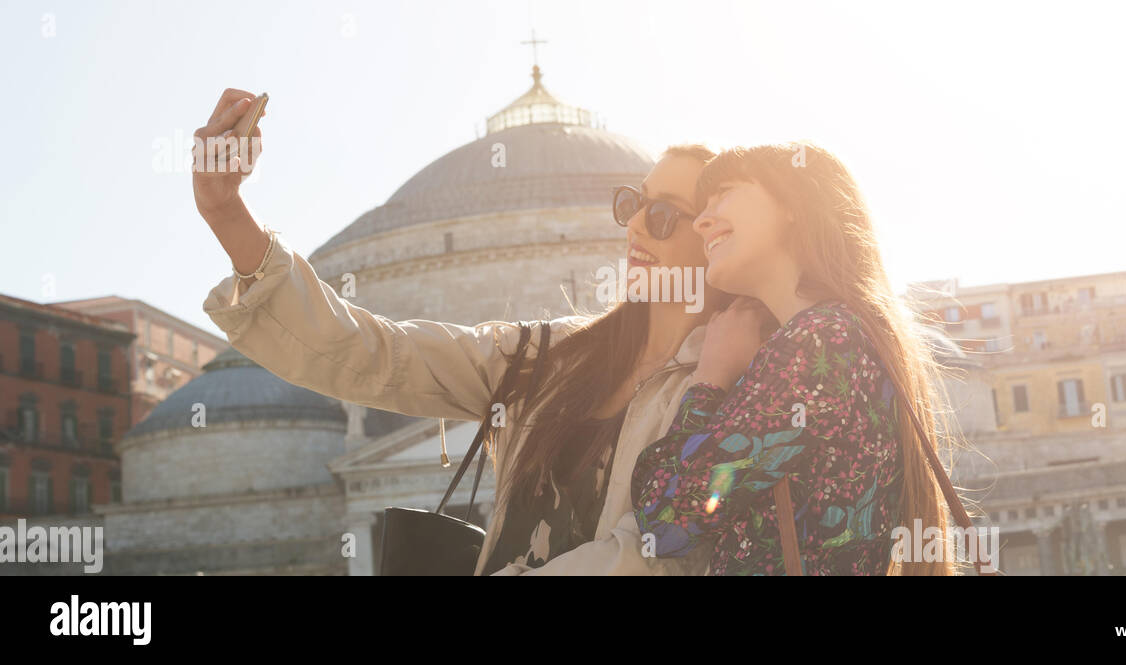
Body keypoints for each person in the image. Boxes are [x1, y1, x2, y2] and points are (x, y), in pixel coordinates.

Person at [191, 87, 725, 575]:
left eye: (662, 214)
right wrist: (227, 212)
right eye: (633, 203)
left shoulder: (731, 383)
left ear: (714, 238)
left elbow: (654, 555)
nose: (633, 225)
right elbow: (377, 354)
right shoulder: (547, 356)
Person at [630, 142, 964, 575]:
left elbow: (667, 521)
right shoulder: (850, 332)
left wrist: (710, 378)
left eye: (724, 193)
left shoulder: (820, 341)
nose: (702, 222)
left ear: (793, 203)